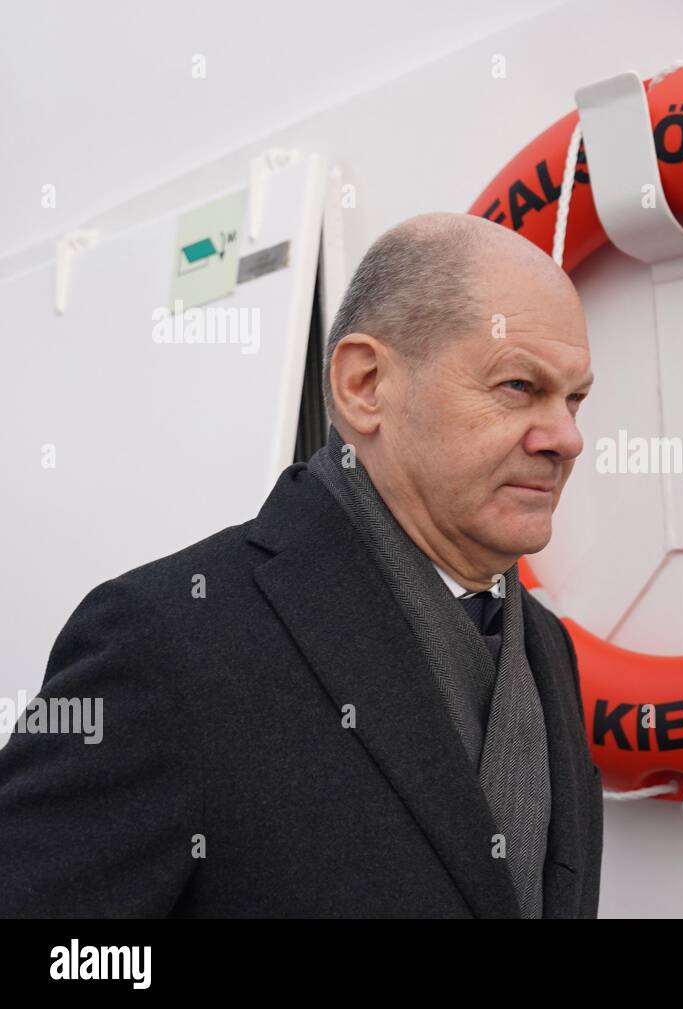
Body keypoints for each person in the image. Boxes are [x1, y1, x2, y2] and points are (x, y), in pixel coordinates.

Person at [0, 211, 601, 918]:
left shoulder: (548, 652)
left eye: (576, 399)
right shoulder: (166, 641)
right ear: (364, 384)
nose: (566, 437)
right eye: (519, 388)